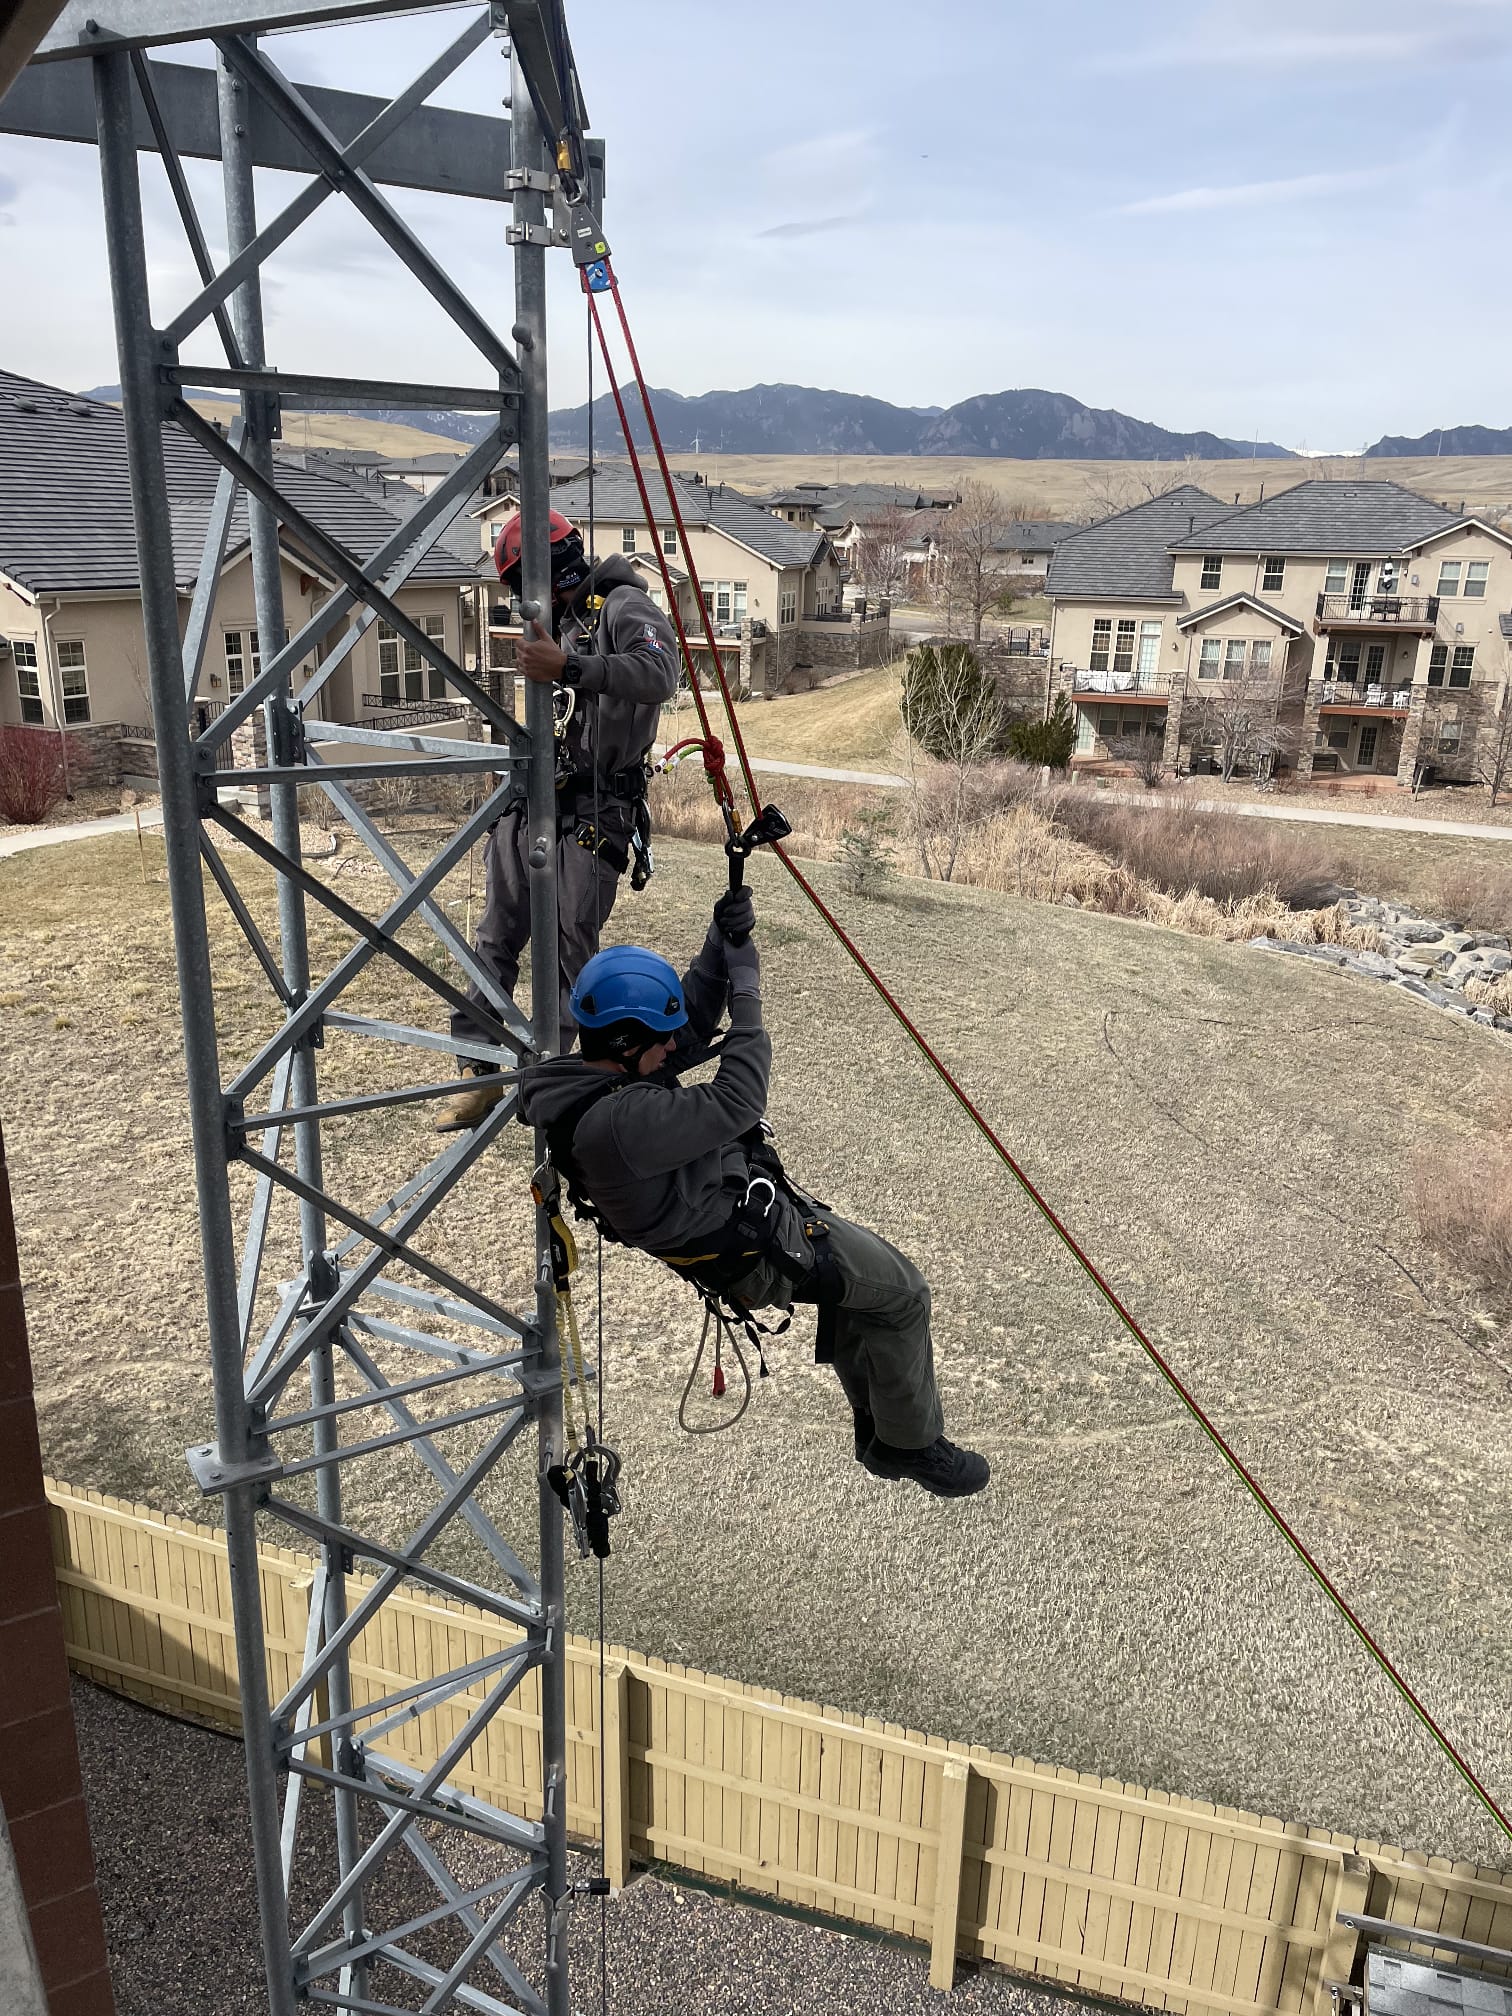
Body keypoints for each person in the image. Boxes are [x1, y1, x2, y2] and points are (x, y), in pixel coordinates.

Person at [516, 888, 990, 1497]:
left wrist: (719, 946)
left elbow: (685, 1030)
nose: (673, 1048)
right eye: (659, 1040)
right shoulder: (619, 1125)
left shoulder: (584, 1082)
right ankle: (912, 1447)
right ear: (625, 1044)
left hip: (745, 1220)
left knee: (864, 1294)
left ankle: (883, 1432)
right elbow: (738, 1098)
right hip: (757, 1251)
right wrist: (747, 991)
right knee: (902, 1295)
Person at [436, 507, 680, 1130]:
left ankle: (572, 1080)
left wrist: (569, 668)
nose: (523, 602)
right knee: (497, 933)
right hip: (536, 802)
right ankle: (479, 1067)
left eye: (523, 587)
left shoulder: (622, 605)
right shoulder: (561, 623)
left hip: (595, 810)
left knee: (573, 947)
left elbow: (660, 673)